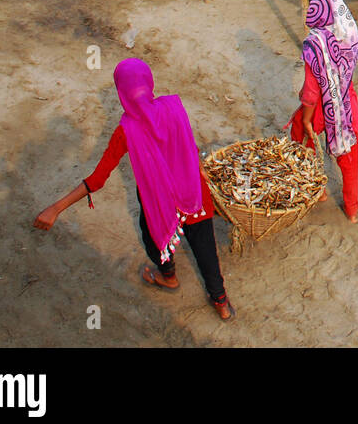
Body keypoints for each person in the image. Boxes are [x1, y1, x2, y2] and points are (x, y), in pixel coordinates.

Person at [33, 58, 235, 321]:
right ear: (150, 83)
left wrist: (55, 208)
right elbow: (189, 145)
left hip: (157, 202)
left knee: (153, 239)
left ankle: (169, 277)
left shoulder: (125, 130)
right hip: (193, 193)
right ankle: (221, 303)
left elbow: (97, 179)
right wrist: (200, 170)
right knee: (205, 248)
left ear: (121, 92)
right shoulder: (173, 107)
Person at [287, 0, 358, 223]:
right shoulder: (350, 33)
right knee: (349, 156)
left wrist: (307, 120)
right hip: (347, 103)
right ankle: (351, 211)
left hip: (321, 106)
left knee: (301, 135)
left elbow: (311, 91)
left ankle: (318, 191)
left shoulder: (315, 42)